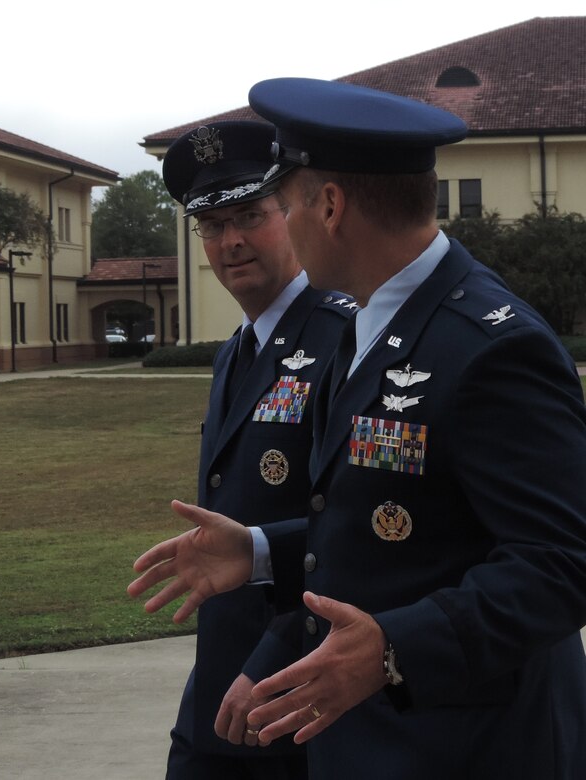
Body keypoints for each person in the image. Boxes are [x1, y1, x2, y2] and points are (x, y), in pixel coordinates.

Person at [129, 79, 586, 780]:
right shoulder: (372, 326)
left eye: (287, 202)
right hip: (370, 743)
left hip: (470, 748)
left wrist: (395, 648)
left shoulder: (489, 346)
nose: (281, 224)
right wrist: (259, 553)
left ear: (331, 206)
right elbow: (384, 530)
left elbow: (563, 562)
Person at [160, 120, 355, 780]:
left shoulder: (344, 339)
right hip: (219, 680)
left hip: (297, 687)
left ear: (293, 213)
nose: (230, 241)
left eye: (249, 215)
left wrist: (270, 657)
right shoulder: (235, 354)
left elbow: (357, 531)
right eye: (212, 226)